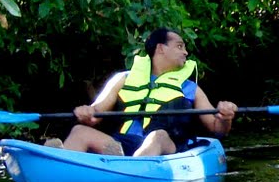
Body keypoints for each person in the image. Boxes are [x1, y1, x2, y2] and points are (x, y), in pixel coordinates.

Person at [57, 29, 238, 157]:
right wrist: (86, 112)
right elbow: (95, 113)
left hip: (166, 145)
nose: (186, 52)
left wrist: (225, 117)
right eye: (180, 46)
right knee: (80, 131)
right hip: (123, 144)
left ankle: (130, 171)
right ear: (160, 48)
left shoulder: (189, 87)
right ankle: (59, 170)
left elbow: (217, 128)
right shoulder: (124, 79)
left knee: (156, 136)